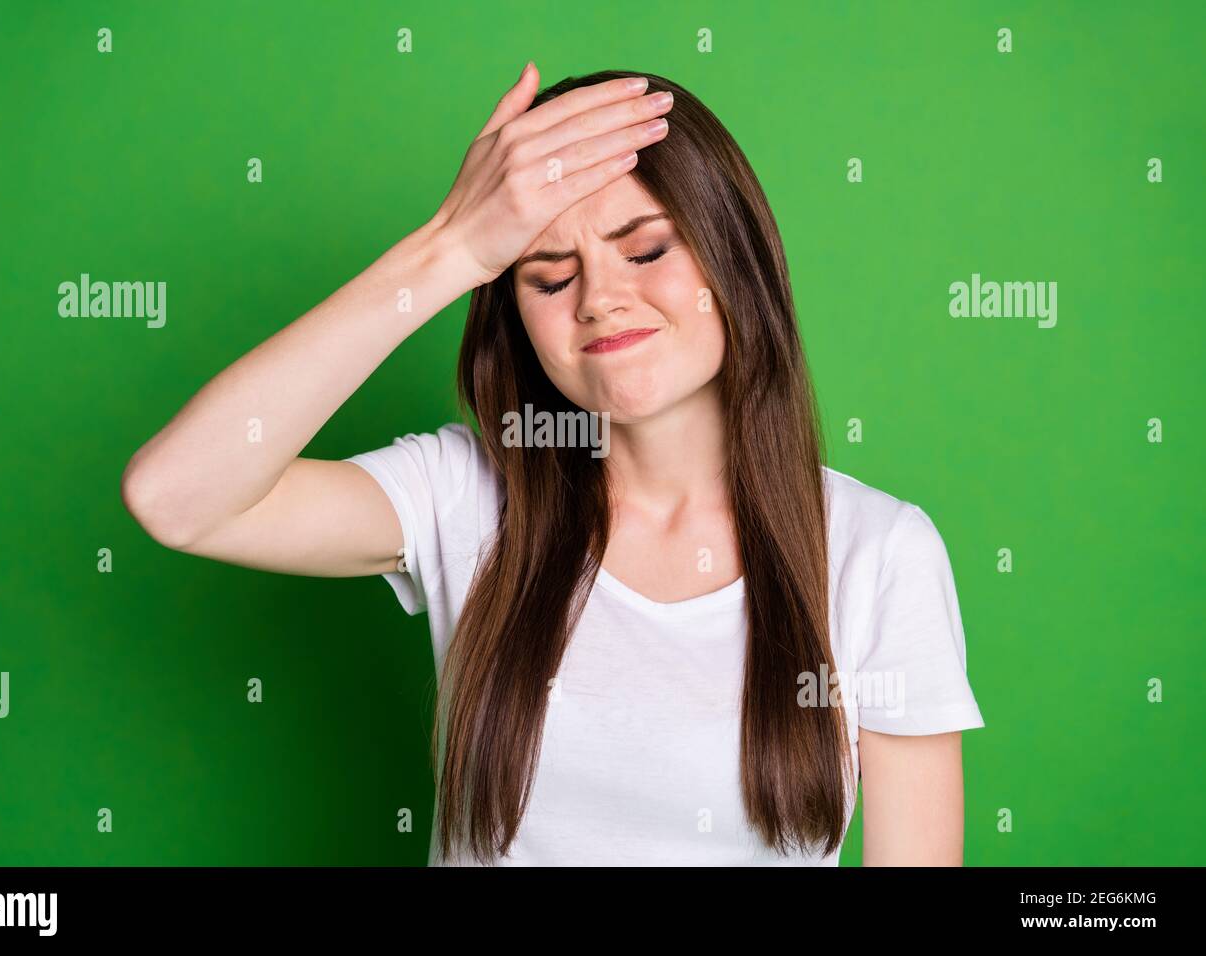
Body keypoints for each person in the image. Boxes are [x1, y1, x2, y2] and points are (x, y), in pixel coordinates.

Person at [121, 63, 986, 866]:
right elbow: (177, 498)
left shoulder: (881, 553)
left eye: (646, 250)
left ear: (733, 263)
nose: (601, 297)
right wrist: (450, 252)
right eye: (546, 276)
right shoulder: (462, 498)